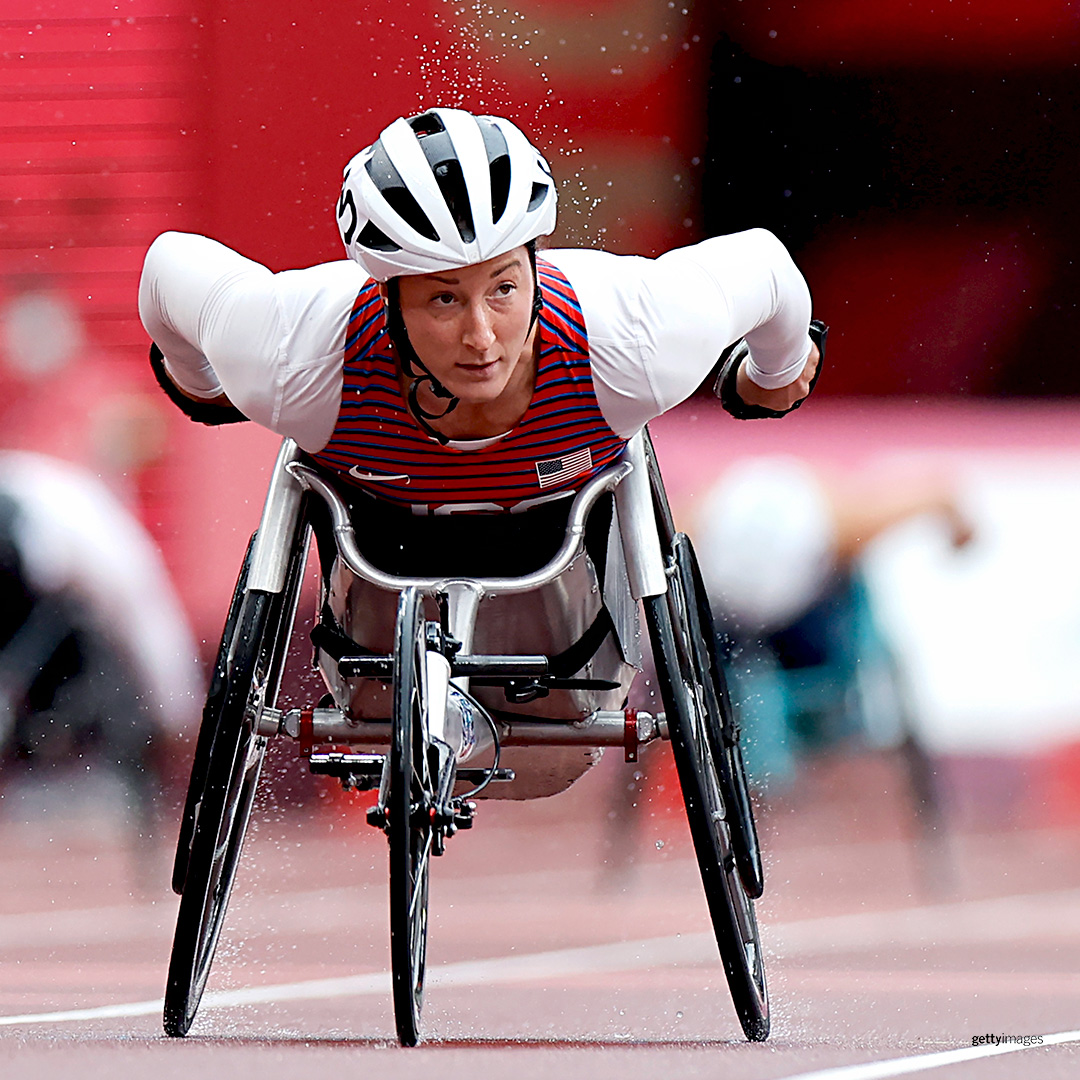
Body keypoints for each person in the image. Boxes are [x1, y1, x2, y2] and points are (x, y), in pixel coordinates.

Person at [139, 108, 820, 520]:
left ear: (535, 265)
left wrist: (772, 374)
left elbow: (764, 264)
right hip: (378, 534)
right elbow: (167, 268)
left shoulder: (635, 338)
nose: (481, 335)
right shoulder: (292, 356)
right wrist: (204, 387)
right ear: (386, 296)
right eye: (442, 298)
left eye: (502, 288)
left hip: (574, 536)